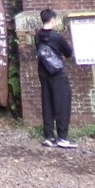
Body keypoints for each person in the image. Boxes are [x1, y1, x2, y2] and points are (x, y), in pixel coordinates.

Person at [35, 9, 76, 149]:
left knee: (47, 103)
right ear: (52, 20)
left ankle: (48, 136)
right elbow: (69, 52)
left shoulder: (37, 36)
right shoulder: (57, 37)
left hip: (43, 73)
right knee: (62, 104)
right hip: (57, 74)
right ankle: (62, 137)